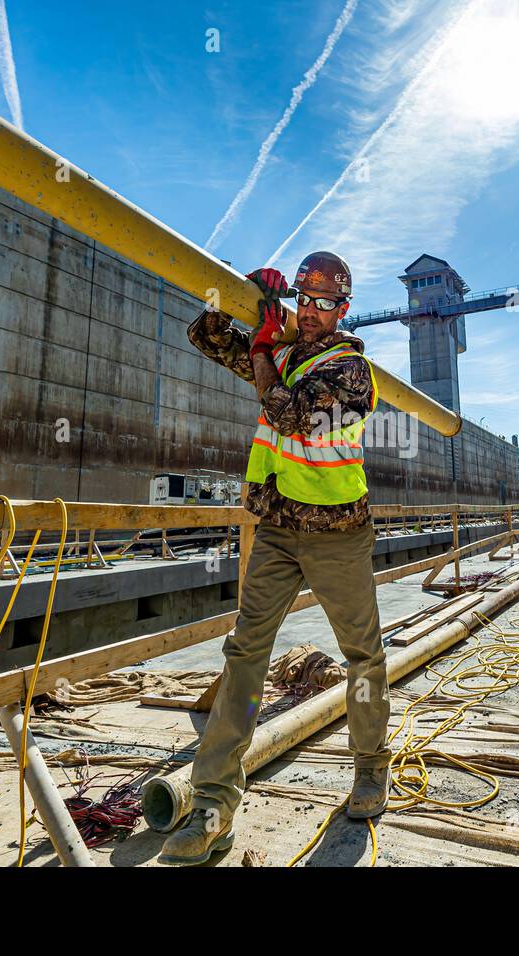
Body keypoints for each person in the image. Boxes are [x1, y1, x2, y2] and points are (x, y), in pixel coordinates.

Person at [159, 251, 391, 865]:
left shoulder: (351, 371)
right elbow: (207, 338)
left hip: (339, 533)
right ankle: (213, 804)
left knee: (362, 654)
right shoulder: (283, 352)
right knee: (245, 651)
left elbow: (290, 417)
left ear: (343, 310)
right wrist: (233, 295)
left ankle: (370, 770)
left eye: (323, 304)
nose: (310, 312)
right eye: (302, 300)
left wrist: (265, 345)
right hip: (280, 531)